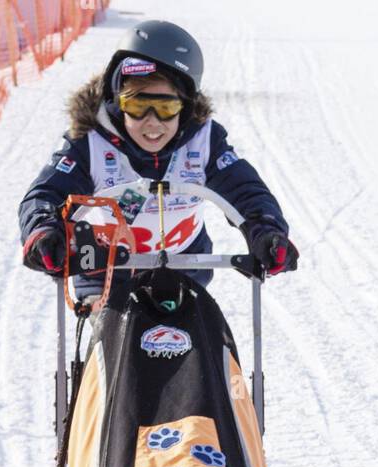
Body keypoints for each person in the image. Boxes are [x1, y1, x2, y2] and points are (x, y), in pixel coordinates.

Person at [18, 19, 298, 301]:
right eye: (138, 106)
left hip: (184, 269)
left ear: (185, 106)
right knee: (115, 337)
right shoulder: (90, 142)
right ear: (118, 100)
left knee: (203, 337)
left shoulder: (203, 142)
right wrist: (43, 230)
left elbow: (245, 190)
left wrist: (266, 231)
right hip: (108, 273)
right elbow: (46, 194)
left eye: (166, 108)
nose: (152, 123)